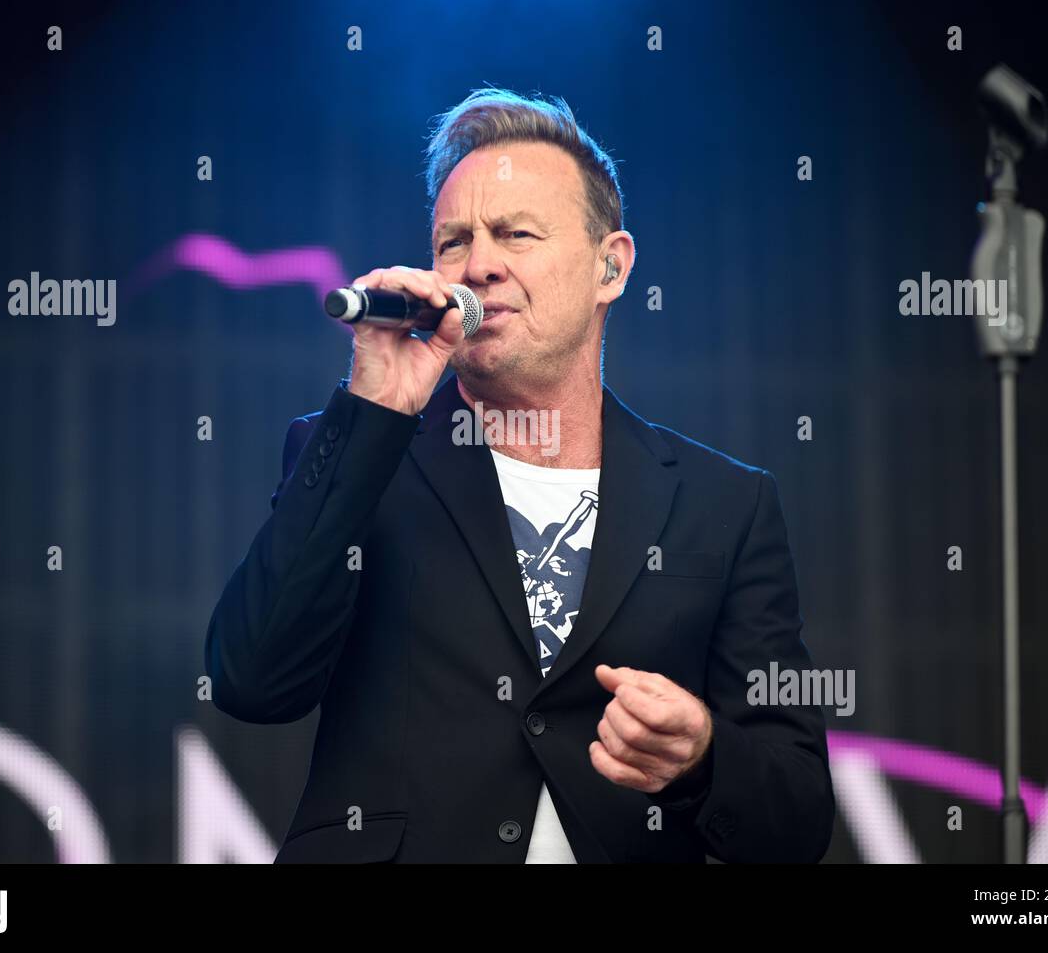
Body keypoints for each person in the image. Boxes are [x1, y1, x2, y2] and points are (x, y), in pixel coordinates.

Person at [205, 88, 834, 863]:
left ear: (611, 267)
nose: (479, 266)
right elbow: (250, 681)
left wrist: (703, 754)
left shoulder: (725, 504)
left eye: (516, 234)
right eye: (452, 242)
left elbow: (799, 818)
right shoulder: (357, 454)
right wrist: (377, 408)